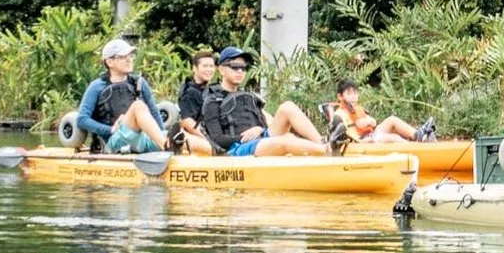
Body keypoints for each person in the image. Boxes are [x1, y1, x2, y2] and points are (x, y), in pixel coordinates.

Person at [198, 48, 327, 157]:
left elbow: (267, 124)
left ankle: (323, 143)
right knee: (284, 140)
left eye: (243, 68)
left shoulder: (249, 97)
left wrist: (259, 129)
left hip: (261, 140)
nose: (240, 71)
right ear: (221, 70)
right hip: (237, 149)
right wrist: (245, 137)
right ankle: (327, 151)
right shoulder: (212, 101)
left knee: (287, 107)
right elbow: (217, 139)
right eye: (235, 67)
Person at [66, 38, 176, 154]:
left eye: (130, 56)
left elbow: (154, 112)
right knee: (138, 106)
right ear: (109, 62)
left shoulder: (139, 82)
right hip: (114, 141)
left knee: (182, 136)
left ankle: (176, 148)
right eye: (123, 57)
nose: (129, 60)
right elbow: (82, 119)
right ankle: (165, 145)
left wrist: (163, 134)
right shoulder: (96, 86)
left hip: (141, 138)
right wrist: (110, 129)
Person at [324, 81, 422, 151]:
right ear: (340, 96)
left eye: (355, 93)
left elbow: (373, 123)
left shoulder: (358, 108)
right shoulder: (339, 114)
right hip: (362, 141)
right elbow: (344, 136)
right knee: (394, 137)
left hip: (371, 134)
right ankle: (415, 150)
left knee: (392, 120)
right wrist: (363, 141)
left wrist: (369, 121)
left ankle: (419, 135)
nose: (353, 96)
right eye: (349, 94)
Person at [171, 48, 220, 155]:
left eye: (211, 66)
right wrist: (210, 141)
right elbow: (188, 122)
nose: (209, 69)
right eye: (205, 66)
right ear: (195, 68)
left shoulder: (208, 89)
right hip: (196, 139)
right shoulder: (190, 92)